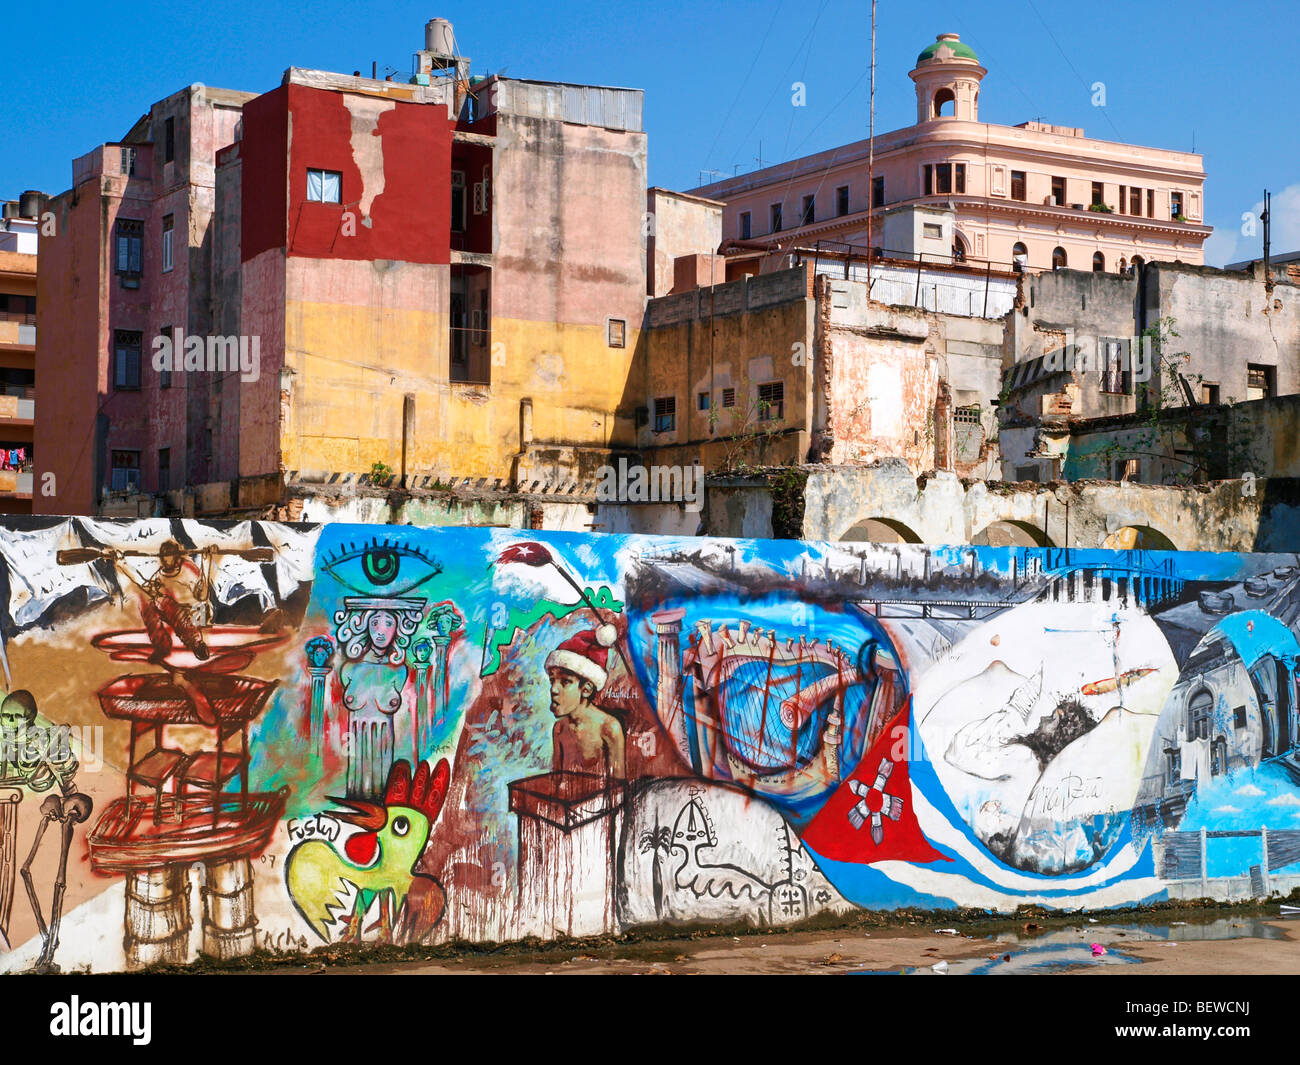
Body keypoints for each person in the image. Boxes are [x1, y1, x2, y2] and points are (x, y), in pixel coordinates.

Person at [545, 624, 626, 780]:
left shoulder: (609, 728)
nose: (554, 689)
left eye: (565, 681)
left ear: (587, 689)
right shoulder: (559, 729)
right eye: (552, 680)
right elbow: (556, 781)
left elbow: (618, 788)